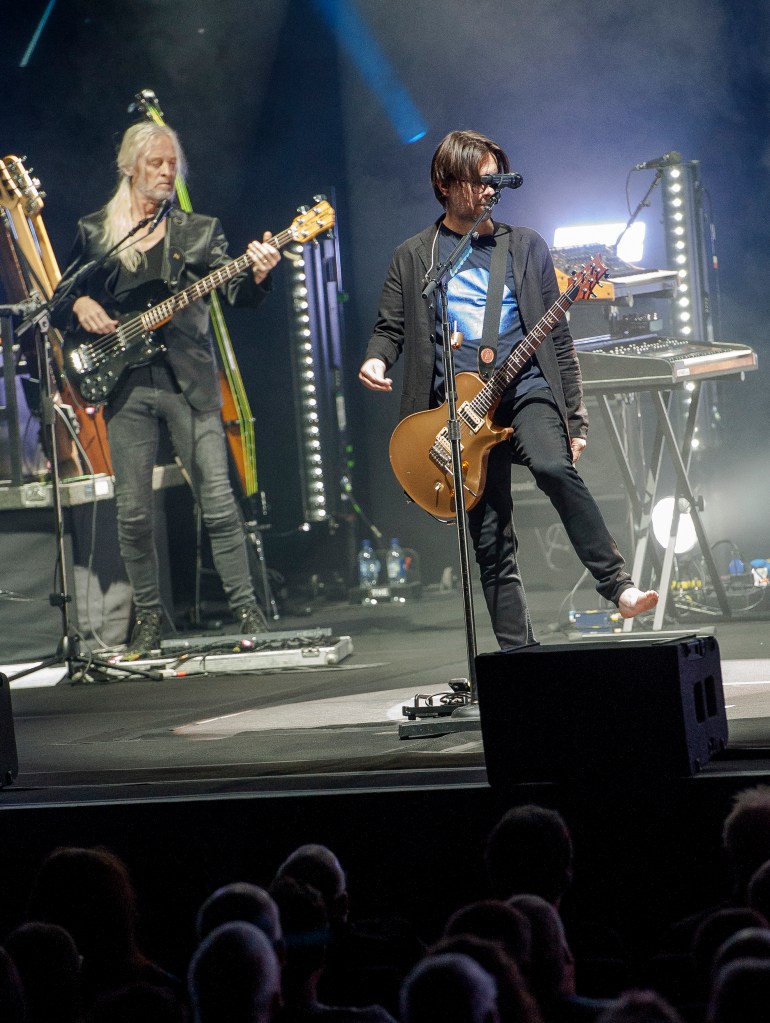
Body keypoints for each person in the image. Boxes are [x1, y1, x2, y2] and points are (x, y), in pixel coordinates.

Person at [359, 129, 658, 649]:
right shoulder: (414, 256)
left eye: (496, 181)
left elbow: (557, 339)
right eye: (479, 181)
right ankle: (520, 658)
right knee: (491, 537)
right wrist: (376, 359)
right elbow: (390, 327)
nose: (489, 191)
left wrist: (575, 418)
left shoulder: (524, 246)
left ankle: (619, 586)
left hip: (524, 388)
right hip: (457, 410)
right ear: (444, 184)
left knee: (553, 466)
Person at [53, 121, 281, 659]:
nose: (165, 172)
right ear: (129, 167)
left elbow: (236, 292)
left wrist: (259, 274)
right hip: (125, 385)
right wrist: (78, 305)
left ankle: (248, 611)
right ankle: (149, 622)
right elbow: (59, 297)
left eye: (171, 163)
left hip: (189, 384)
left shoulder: (199, 232)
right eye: (155, 163)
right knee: (133, 514)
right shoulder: (97, 232)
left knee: (218, 503)